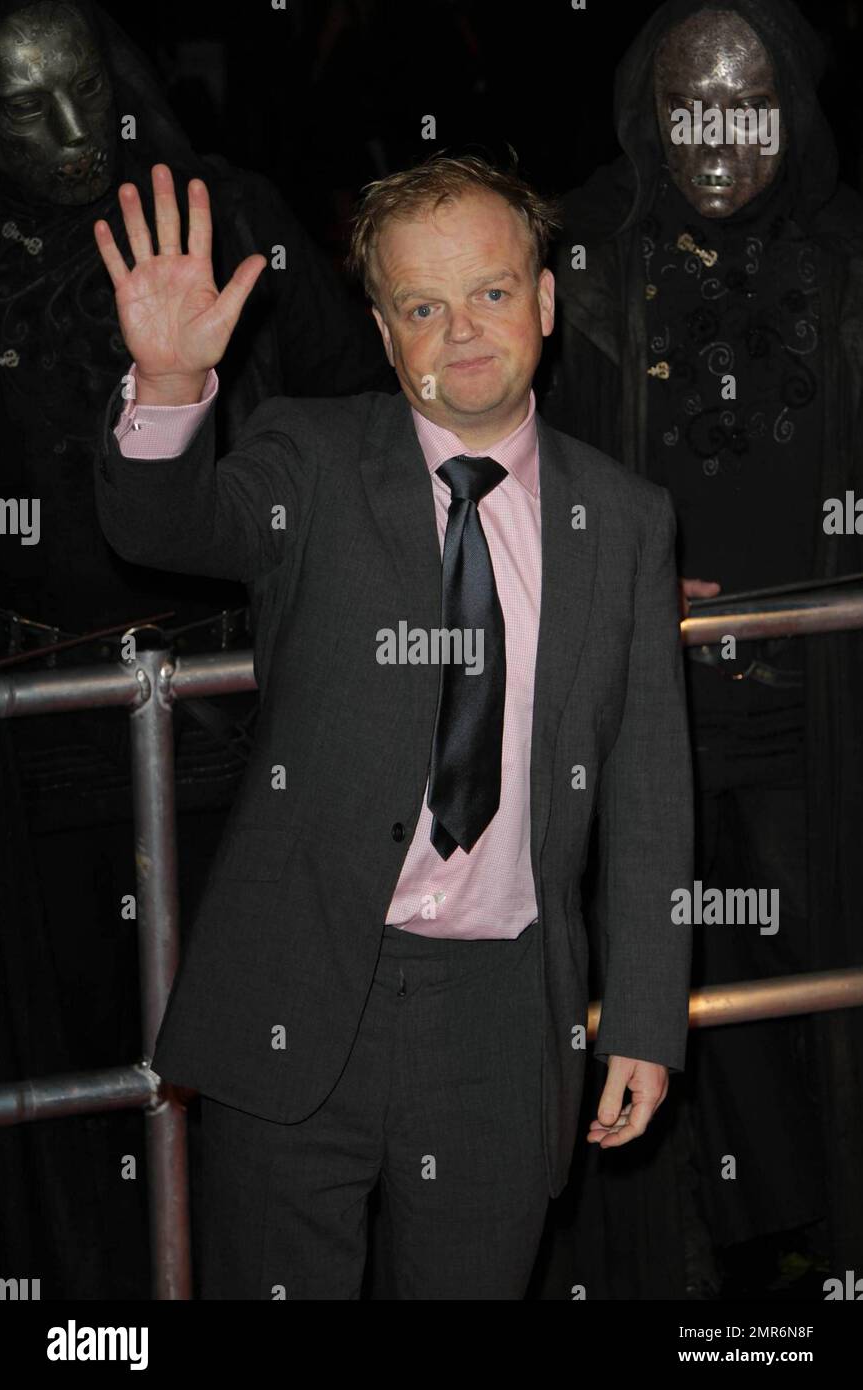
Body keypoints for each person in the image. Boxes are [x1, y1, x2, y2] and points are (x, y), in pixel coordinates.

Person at [92, 152, 693, 1300]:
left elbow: (651, 790)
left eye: (491, 292)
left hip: (504, 1022)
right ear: (381, 331)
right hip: (299, 987)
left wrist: (648, 1016)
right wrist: (167, 385)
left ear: (546, 301)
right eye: (422, 305)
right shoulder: (311, 459)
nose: (460, 330)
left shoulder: (623, 519)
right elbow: (171, 528)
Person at [0, 0, 393, 1296]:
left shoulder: (223, 209)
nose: (63, 133)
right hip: (49, 725)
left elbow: (358, 411)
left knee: (266, 1034)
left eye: (78, 93)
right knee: (88, 1044)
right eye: (21, 107)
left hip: (235, 700)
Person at [540, 0, 863, 1295]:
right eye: (689, 108)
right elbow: (506, 456)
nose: (718, 139)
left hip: (817, 693)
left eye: (746, 105)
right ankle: (689, 1261)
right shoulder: (584, 254)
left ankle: (820, 1235)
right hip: (644, 700)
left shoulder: (847, 255)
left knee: (811, 961)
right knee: (656, 975)